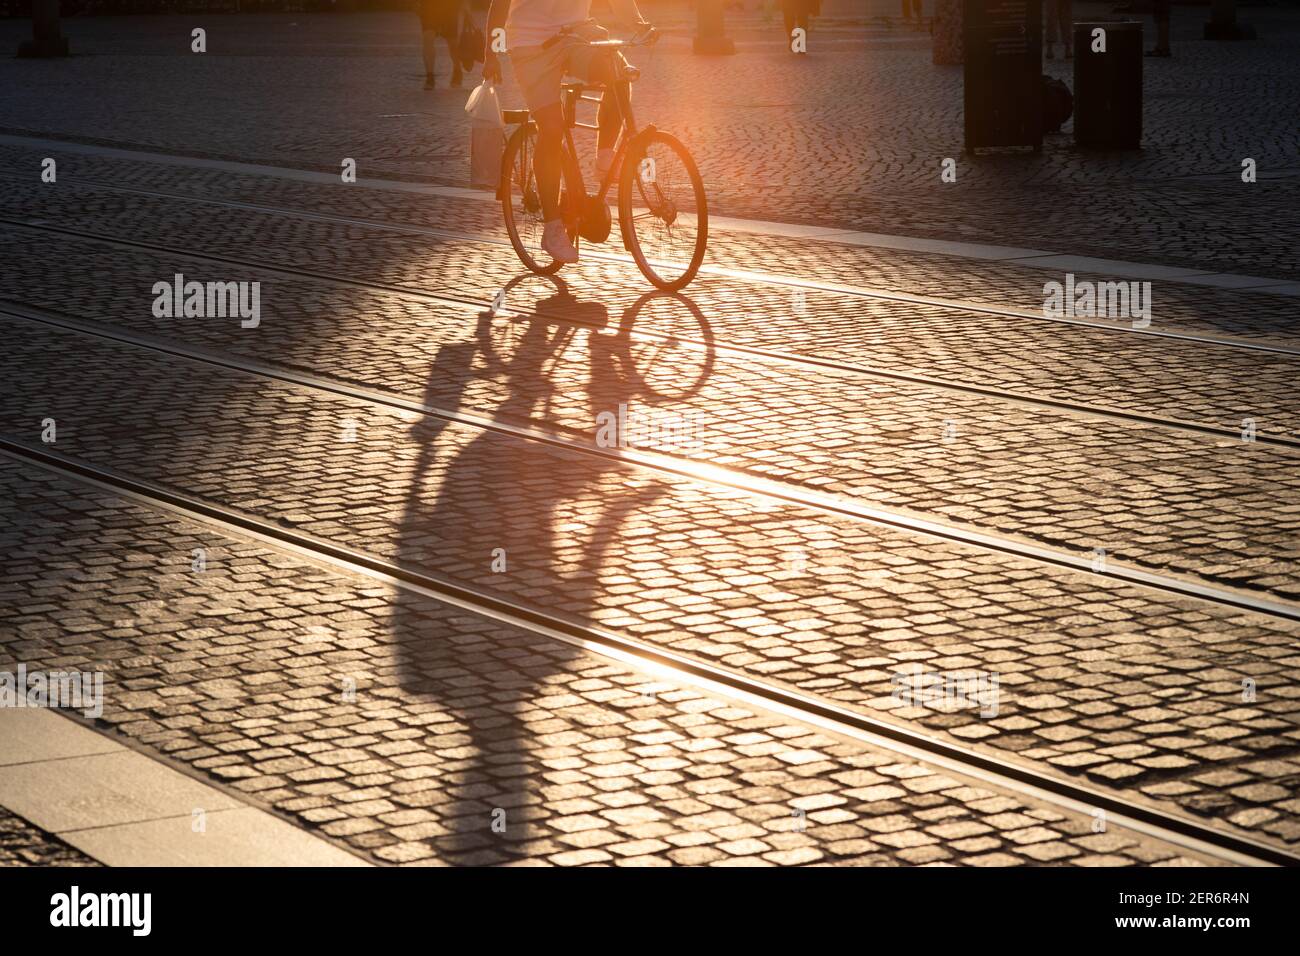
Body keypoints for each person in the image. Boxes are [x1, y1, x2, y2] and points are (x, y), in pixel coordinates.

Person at [483, 0, 650, 264]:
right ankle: (552, 227)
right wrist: (491, 53)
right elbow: (500, 4)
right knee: (551, 129)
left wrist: (638, 22)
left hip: (577, 34)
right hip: (531, 44)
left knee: (619, 72)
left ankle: (605, 156)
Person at [419, 0, 468, 89]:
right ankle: (430, 76)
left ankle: (457, 70)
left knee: (452, 43)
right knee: (427, 38)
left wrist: (465, 4)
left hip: (449, 6)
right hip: (428, 7)